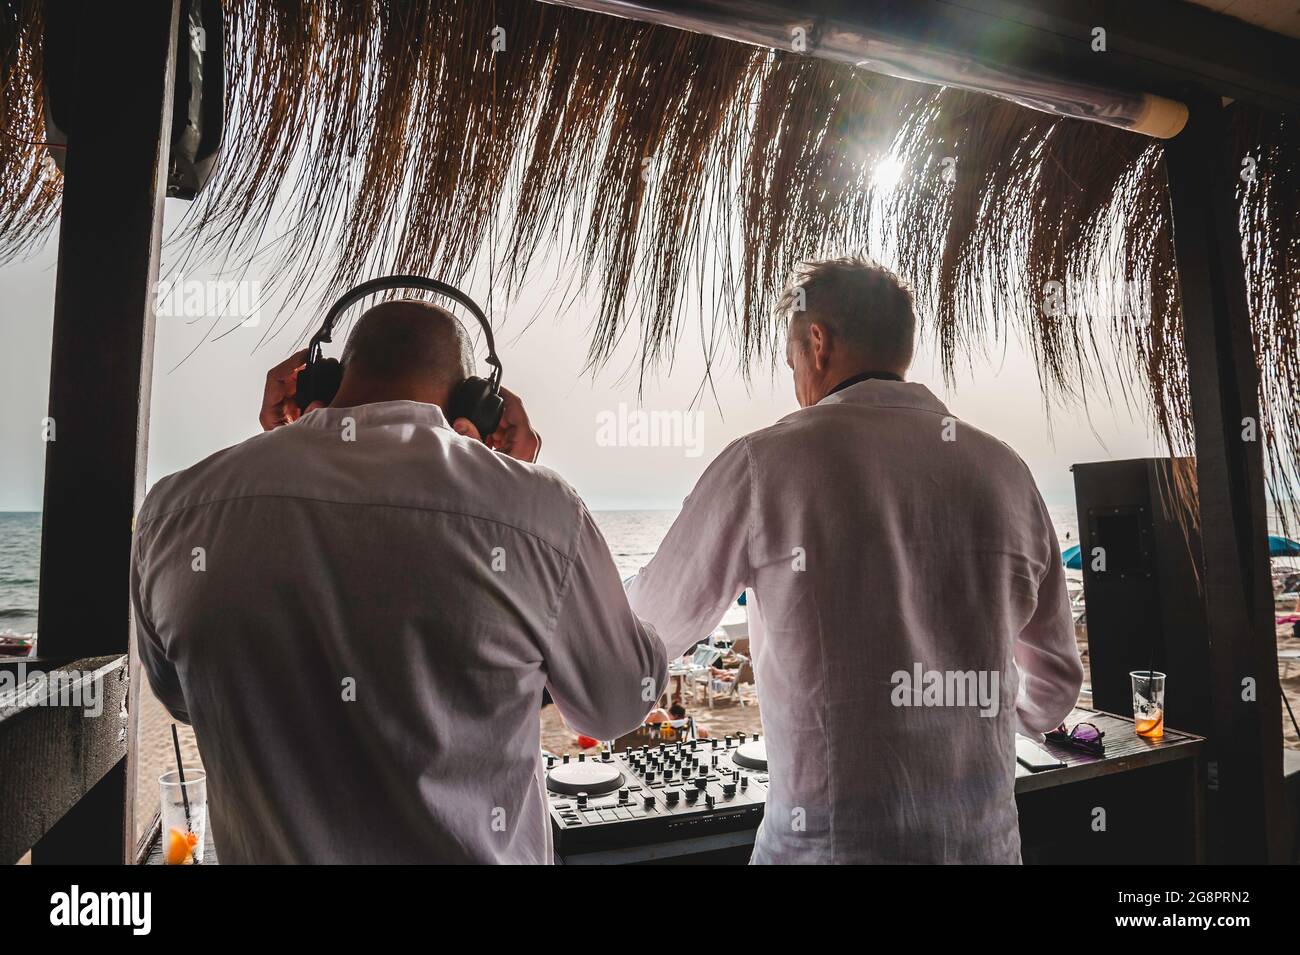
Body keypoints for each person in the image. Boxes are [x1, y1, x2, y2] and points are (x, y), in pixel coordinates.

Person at [132, 299, 666, 863]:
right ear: (475, 404)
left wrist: (281, 452)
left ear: (326, 377)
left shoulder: (173, 511)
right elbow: (617, 705)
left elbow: (181, 695)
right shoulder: (540, 512)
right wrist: (519, 481)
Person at [626, 256, 1083, 864]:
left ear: (817, 342)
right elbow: (1055, 688)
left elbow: (646, 625)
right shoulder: (1006, 472)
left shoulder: (766, 466)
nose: (794, 379)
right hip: (982, 846)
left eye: (790, 359)